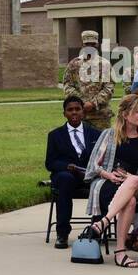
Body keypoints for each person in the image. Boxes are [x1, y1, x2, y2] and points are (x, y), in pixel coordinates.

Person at [81, 94, 138, 268]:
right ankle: (120, 253)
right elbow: (93, 164)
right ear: (125, 114)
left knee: (133, 183)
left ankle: (103, 222)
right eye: (137, 112)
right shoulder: (109, 135)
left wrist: (135, 178)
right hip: (107, 184)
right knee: (129, 201)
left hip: (136, 186)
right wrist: (108, 175)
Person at [45, 96, 100, 249]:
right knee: (64, 179)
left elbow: (102, 158)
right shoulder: (55, 135)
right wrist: (66, 166)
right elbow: (50, 163)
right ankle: (62, 233)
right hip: (66, 176)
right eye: (70, 110)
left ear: (83, 112)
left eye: (77, 109)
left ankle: (96, 230)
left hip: (88, 176)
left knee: (101, 183)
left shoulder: (95, 134)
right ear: (64, 113)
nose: (74, 113)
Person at [62, 29, 114, 129]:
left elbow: (109, 87)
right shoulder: (74, 64)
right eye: (87, 44)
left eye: (93, 44)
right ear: (82, 45)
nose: (90, 47)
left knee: (103, 143)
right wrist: (82, 103)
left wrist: (93, 103)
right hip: (79, 116)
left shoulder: (105, 64)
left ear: (97, 45)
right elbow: (67, 85)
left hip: (101, 116)